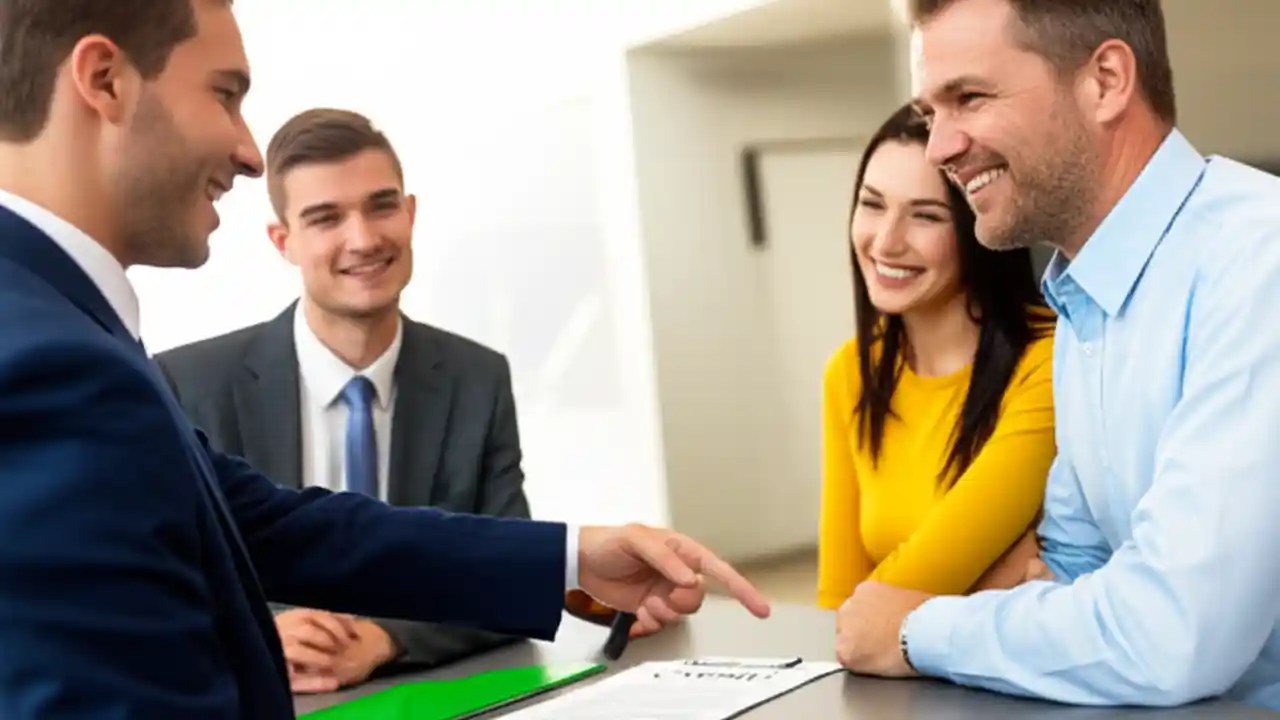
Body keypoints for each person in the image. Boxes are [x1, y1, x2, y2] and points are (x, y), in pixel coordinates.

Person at [0, 2, 770, 718]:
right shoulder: (53, 364)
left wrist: (570, 559)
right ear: (104, 81)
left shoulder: (58, 319)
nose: (245, 149)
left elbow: (268, 525)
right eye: (226, 94)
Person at [834, 0, 1280, 710]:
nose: (939, 146)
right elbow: (1066, 573)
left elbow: (1170, 636)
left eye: (969, 98)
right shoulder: (1085, 300)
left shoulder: (1259, 261)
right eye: (931, 110)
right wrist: (1070, 616)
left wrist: (919, 629)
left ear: (1105, 80)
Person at [155, 108, 531, 693]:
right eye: (326, 218)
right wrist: (253, 634)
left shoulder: (476, 378)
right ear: (284, 241)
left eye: (381, 206)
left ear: (410, 214)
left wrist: (387, 638)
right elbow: (159, 584)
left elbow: (510, 578)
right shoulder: (188, 383)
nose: (364, 239)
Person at [817, 102, 1055, 610]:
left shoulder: (1049, 360)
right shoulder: (851, 372)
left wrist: (901, 604)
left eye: (926, 215)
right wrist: (983, 589)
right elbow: (838, 602)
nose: (885, 241)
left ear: (978, 229)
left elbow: (893, 594)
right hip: (886, 680)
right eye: (872, 204)